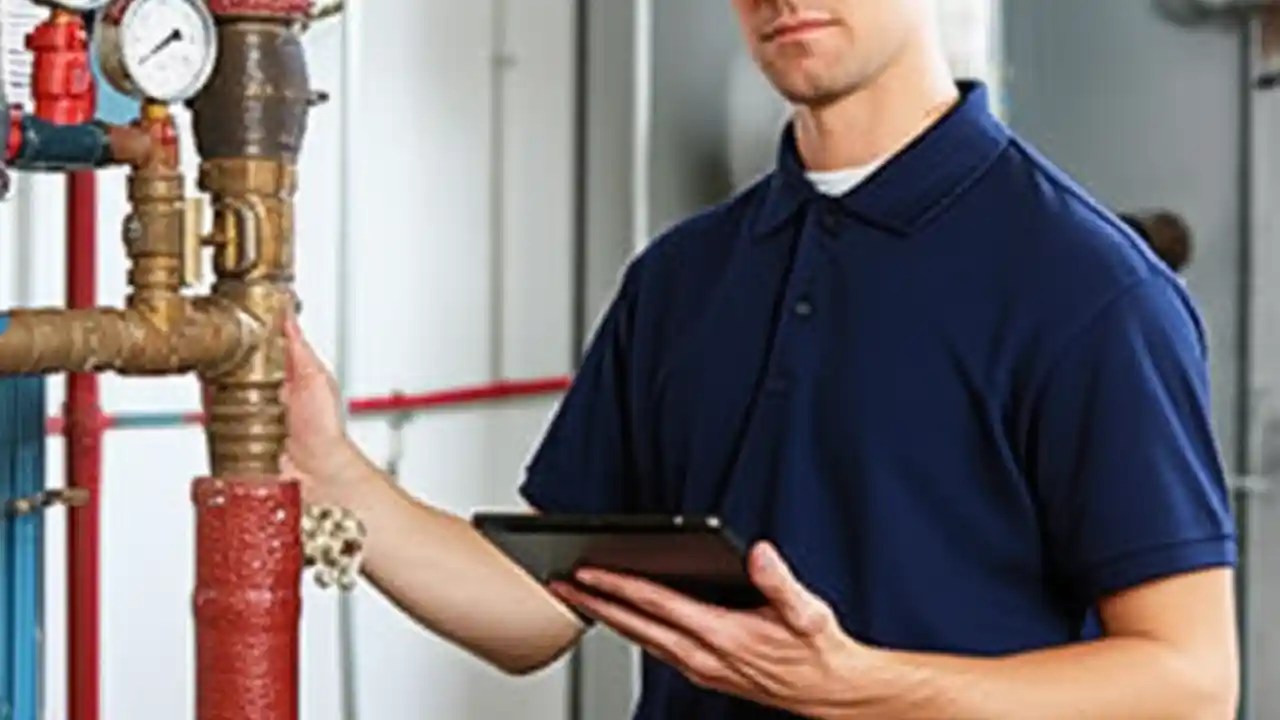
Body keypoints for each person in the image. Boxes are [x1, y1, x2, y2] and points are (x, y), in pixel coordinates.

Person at [280, 0, 1240, 716]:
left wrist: (864, 688)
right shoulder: (683, 278)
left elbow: (1191, 679)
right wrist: (334, 471)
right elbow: (537, 613)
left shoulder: (1085, 288)